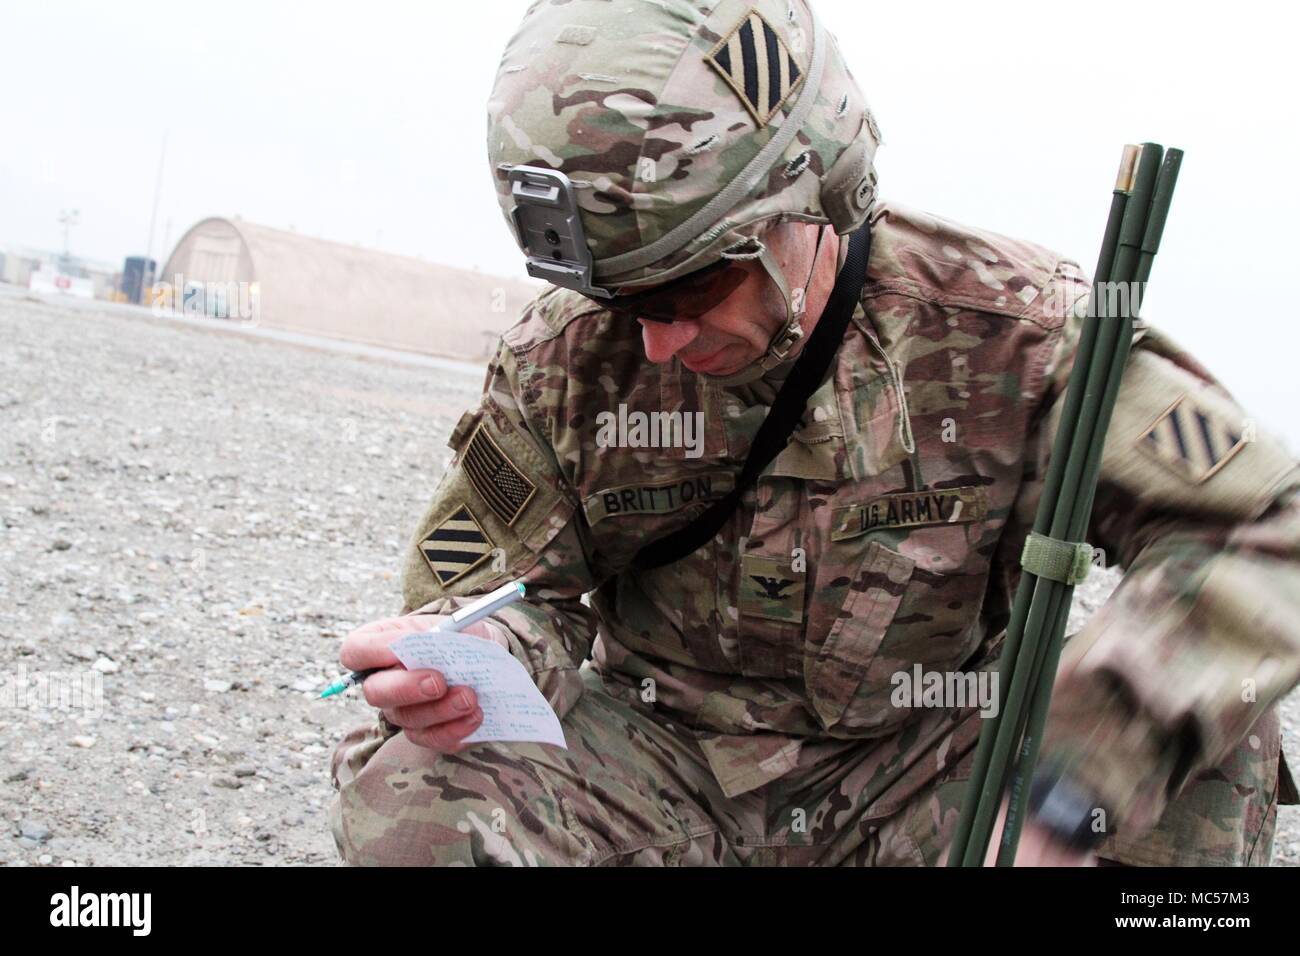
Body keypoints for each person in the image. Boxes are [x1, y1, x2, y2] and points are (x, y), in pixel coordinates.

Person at [329, 0, 1299, 866]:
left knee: (1214, 743)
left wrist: (1072, 785)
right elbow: (498, 595)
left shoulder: (1012, 336)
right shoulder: (565, 362)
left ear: (808, 199)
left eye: (694, 286)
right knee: (415, 781)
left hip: (931, 769)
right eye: (620, 299)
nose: (658, 337)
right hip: (667, 776)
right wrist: (476, 657)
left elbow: (1267, 529)